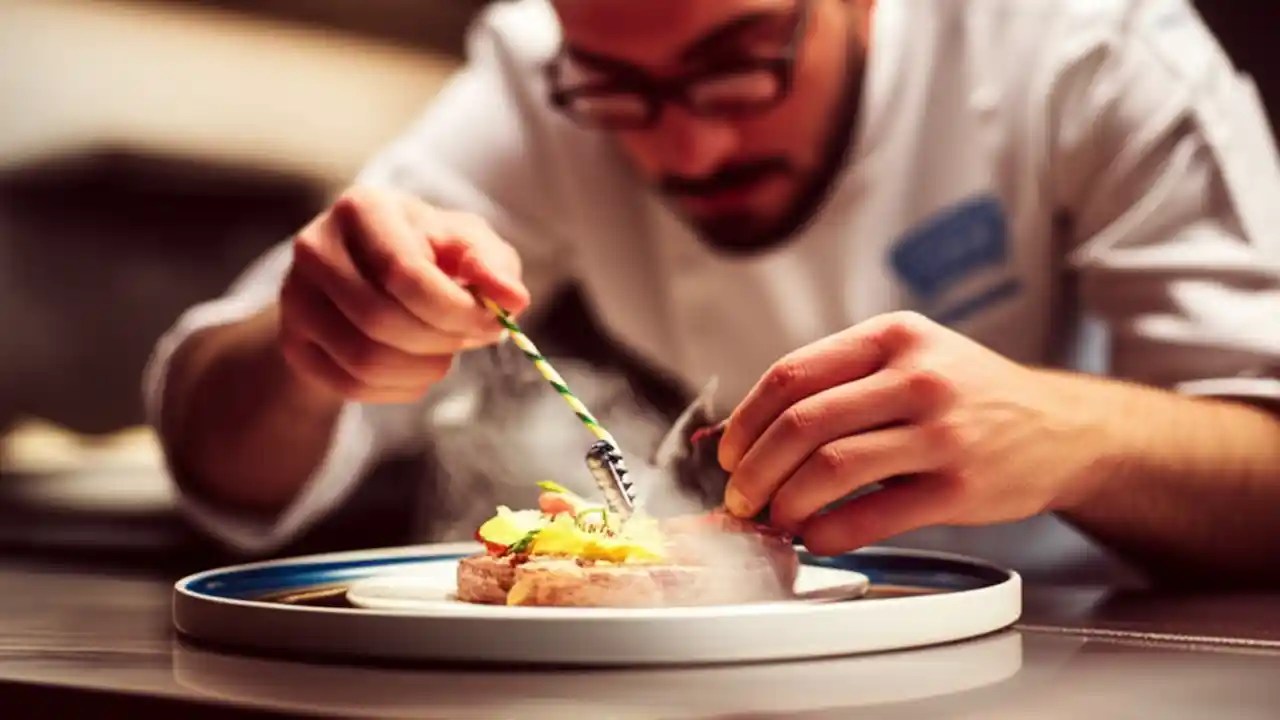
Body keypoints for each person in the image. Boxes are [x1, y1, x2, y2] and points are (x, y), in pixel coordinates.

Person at [144, 0, 1280, 579]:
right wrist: (307, 348)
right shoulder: (545, 73)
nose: (686, 150)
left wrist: (1071, 437)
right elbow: (212, 447)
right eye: (620, 91)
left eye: (734, 64)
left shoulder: (1082, 47)